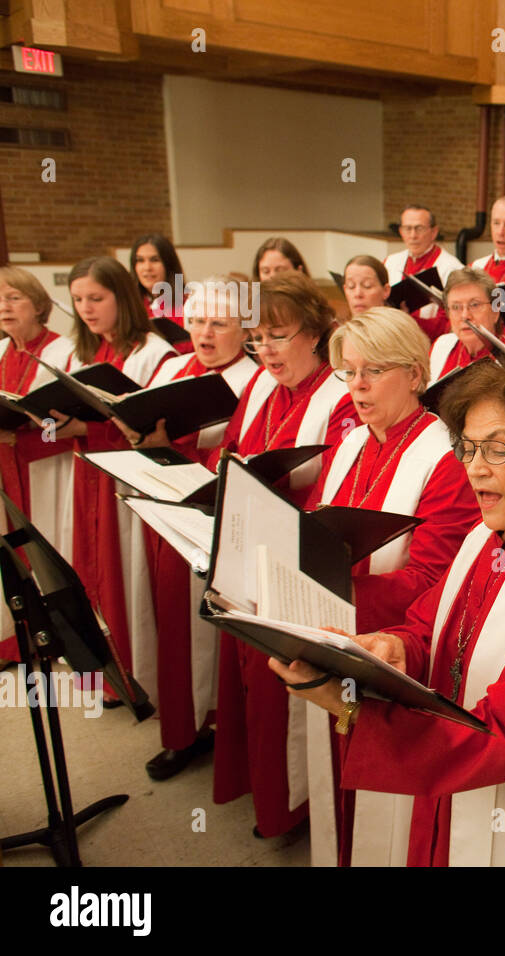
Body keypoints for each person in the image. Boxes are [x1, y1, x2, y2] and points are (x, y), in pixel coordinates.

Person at [272, 359, 505, 866]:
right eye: (467, 448)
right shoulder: (488, 536)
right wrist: (396, 646)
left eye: (497, 449)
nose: (474, 467)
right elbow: (431, 624)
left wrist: (353, 707)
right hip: (457, 775)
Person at [305, 306, 480, 866]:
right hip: (335, 626)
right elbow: (315, 525)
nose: (357, 385)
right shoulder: (353, 442)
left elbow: (435, 579)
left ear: (414, 372)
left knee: (385, 806)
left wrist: (336, 593)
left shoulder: (444, 455)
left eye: (373, 370)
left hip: (397, 644)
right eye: (347, 371)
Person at [210, 270, 356, 840]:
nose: (264, 350)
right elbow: (231, 450)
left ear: (315, 335)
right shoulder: (260, 386)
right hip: (249, 545)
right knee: (252, 683)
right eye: (256, 338)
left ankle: (293, 804)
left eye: (277, 335)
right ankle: (265, 787)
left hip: (296, 558)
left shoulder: (340, 395)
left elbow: (340, 484)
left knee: (283, 690)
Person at [128, 277, 259, 781]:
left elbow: (237, 460)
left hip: (220, 522)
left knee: (212, 634)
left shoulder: (251, 379)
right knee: (174, 627)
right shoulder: (170, 366)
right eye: (198, 320)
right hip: (165, 511)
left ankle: (223, 729)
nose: (205, 333)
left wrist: (173, 446)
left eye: (219, 324)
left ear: (244, 329)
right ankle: (183, 729)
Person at [56, 257, 177, 701]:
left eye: (96, 298)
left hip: (128, 478)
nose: (86, 309)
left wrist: (85, 428)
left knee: (125, 574)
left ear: (122, 298)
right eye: (78, 301)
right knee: (89, 568)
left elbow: (148, 422)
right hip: (89, 473)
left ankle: (138, 675)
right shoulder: (84, 351)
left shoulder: (151, 352)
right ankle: (109, 672)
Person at [0, 266, 75, 667]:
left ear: (39, 305)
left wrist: (25, 437)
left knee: (51, 556)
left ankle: (62, 641)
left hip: (48, 469)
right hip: (5, 468)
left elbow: (61, 425)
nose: (4, 306)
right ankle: (18, 639)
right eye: (0, 299)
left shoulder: (63, 352)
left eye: (14, 298)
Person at [384, 205, 462, 344]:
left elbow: (451, 319)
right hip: (390, 339)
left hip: (428, 344)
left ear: (434, 232)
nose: (413, 235)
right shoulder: (390, 262)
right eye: (408, 229)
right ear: (401, 231)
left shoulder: (451, 268)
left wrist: (409, 320)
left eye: (419, 228)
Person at [428, 268, 505, 379]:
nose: (465, 316)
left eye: (474, 305)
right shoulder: (441, 345)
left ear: (495, 311)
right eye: (456, 307)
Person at [130, 234, 186, 325]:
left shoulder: (187, 305)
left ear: (169, 265)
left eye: (155, 260)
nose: (147, 267)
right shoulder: (131, 305)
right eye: (140, 260)